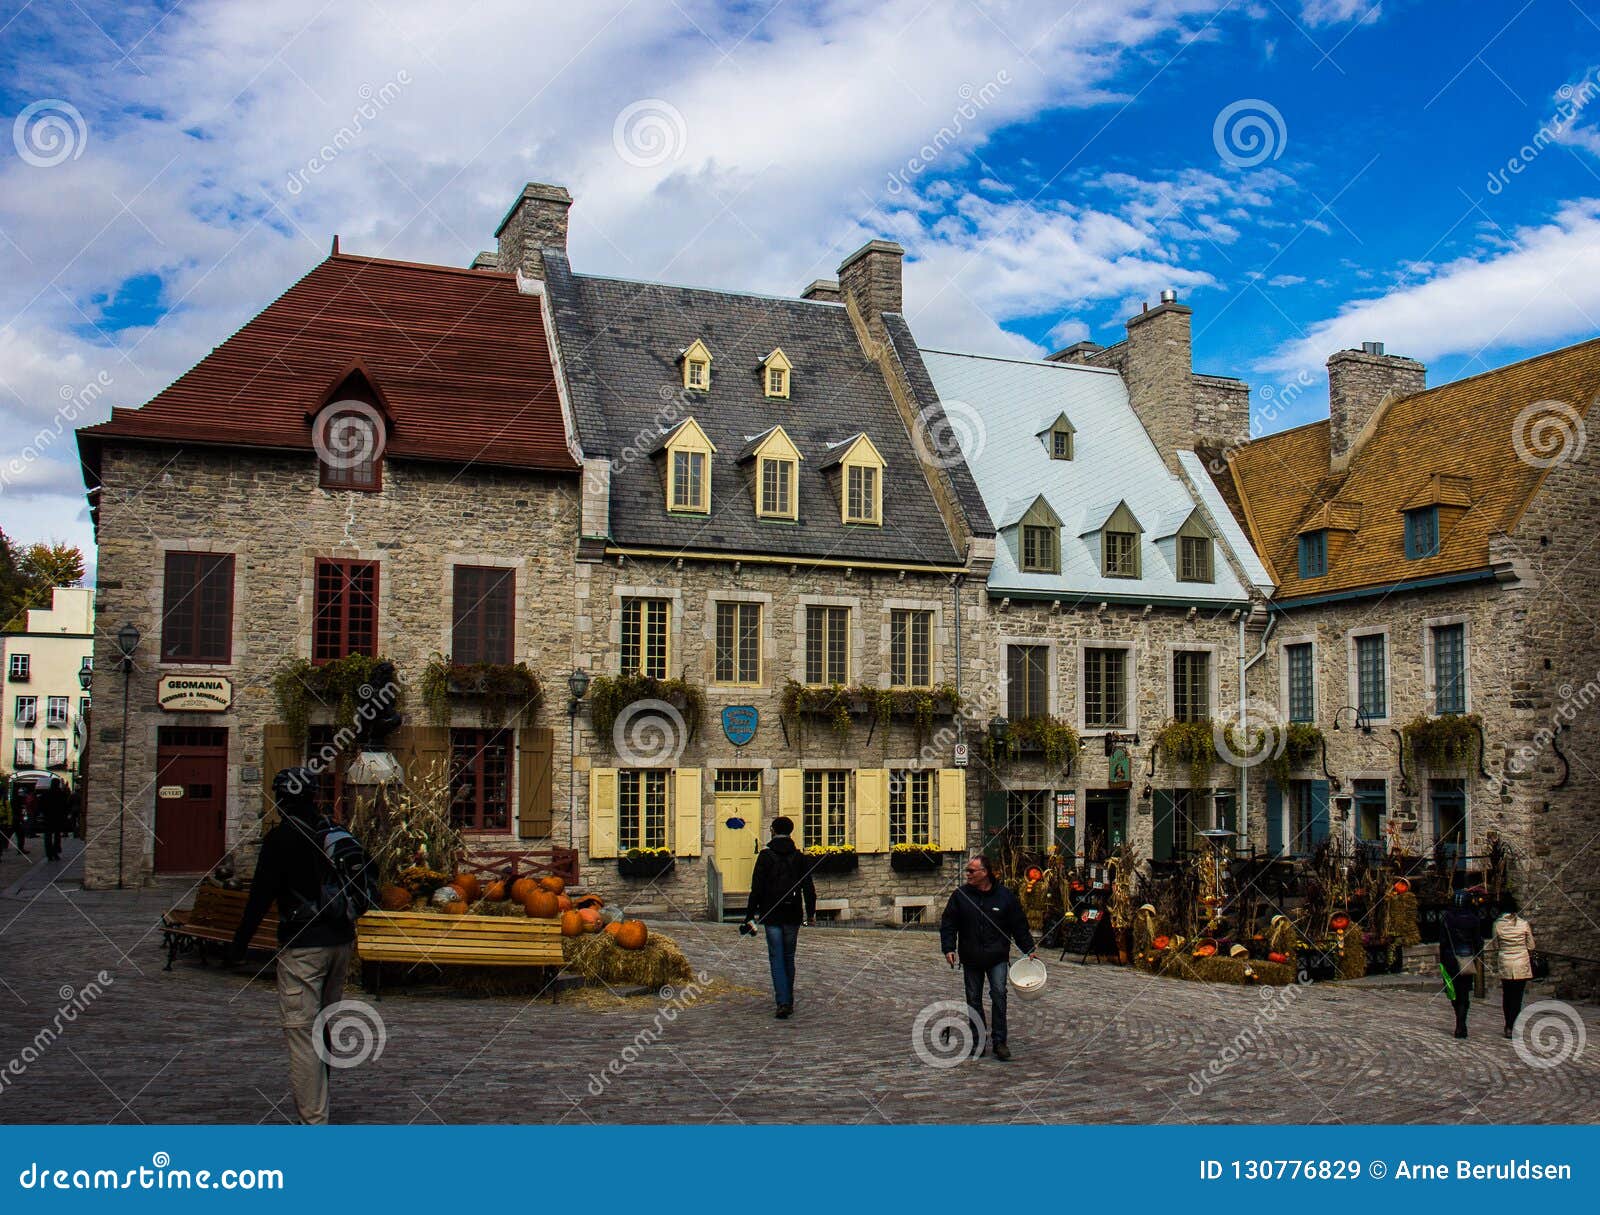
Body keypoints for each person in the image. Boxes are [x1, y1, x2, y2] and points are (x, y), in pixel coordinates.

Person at [230, 767, 371, 1124]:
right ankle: (320, 1102)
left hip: (303, 946)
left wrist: (237, 947)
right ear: (313, 796)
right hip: (340, 940)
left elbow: (260, 897)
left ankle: (314, 1122)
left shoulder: (282, 839)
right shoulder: (334, 832)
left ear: (281, 799)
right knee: (322, 1026)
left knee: (303, 1034)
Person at [940, 855, 1037, 1061]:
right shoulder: (960, 896)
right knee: (973, 999)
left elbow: (1018, 924)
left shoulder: (1004, 896)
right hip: (971, 956)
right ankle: (978, 1042)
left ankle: (1000, 1041)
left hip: (997, 956)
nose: (967, 875)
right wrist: (948, 948)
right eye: (967, 871)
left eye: (971, 871)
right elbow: (949, 923)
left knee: (999, 995)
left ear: (985, 873)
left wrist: (1028, 948)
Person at [743, 816, 816, 1020]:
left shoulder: (766, 857)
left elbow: (756, 889)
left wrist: (750, 915)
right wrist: (811, 913)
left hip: (772, 913)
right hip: (793, 913)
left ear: (773, 831)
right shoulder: (800, 858)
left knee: (776, 957)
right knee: (788, 957)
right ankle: (788, 999)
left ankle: (783, 1001)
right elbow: (809, 888)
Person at [1439, 885, 1486, 1039]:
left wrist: (1442, 960)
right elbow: (1478, 941)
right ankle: (1461, 1023)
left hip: (1450, 958)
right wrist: (1476, 954)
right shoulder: (1473, 919)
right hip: (1465, 958)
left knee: (1454, 992)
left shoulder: (1446, 917)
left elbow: (1443, 941)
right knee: (1464, 992)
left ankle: (1459, 1022)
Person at [1493, 893, 1537, 1039]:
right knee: (1517, 997)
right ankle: (1513, 1025)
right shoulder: (1523, 924)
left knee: (1507, 995)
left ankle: (1508, 1025)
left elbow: (1495, 945)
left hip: (1506, 961)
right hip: (1521, 963)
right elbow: (1531, 945)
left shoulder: (1497, 925)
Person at [39, 778, 68, 863]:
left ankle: (49, 854)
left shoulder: (45, 794)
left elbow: (41, 805)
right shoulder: (61, 794)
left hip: (48, 818)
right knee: (57, 836)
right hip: (57, 818)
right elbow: (65, 806)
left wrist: (43, 813)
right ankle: (55, 852)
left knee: (48, 836)